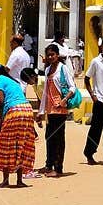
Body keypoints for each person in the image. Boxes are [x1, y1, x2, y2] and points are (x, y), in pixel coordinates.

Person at [0, 66, 38, 187]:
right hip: (27, 110)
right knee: (22, 145)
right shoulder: (12, 81)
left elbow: (2, 101)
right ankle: (19, 181)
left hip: (14, 111)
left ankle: (5, 181)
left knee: (6, 145)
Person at [38, 43, 73, 177]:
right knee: (49, 137)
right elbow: (46, 92)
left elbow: (72, 88)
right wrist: (41, 112)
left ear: (57, 55)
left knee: (58, 139)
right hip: (50, 110)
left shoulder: (63, 69)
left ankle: (58, 168)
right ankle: (49, 164)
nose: (50, 57)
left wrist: (64, 101)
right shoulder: (47, 70)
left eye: (53, 54)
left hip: (60, 110)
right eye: (48, 55)